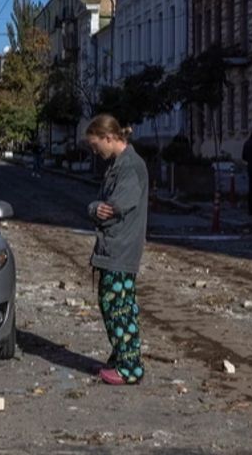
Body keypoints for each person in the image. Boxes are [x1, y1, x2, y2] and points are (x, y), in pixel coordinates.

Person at [84, 114, 149, 386]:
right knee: (115, 304)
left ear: (109, 138)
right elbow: (99, 206)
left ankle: (129, 367)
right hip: (114, 248)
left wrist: (95, 209)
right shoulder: (117, 165)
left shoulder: (130, 167)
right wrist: (93, 208)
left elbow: (110, 210)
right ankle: (122, 356)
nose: (95, 152)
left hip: (121, 248)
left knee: (118, 307)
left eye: (96, 145)